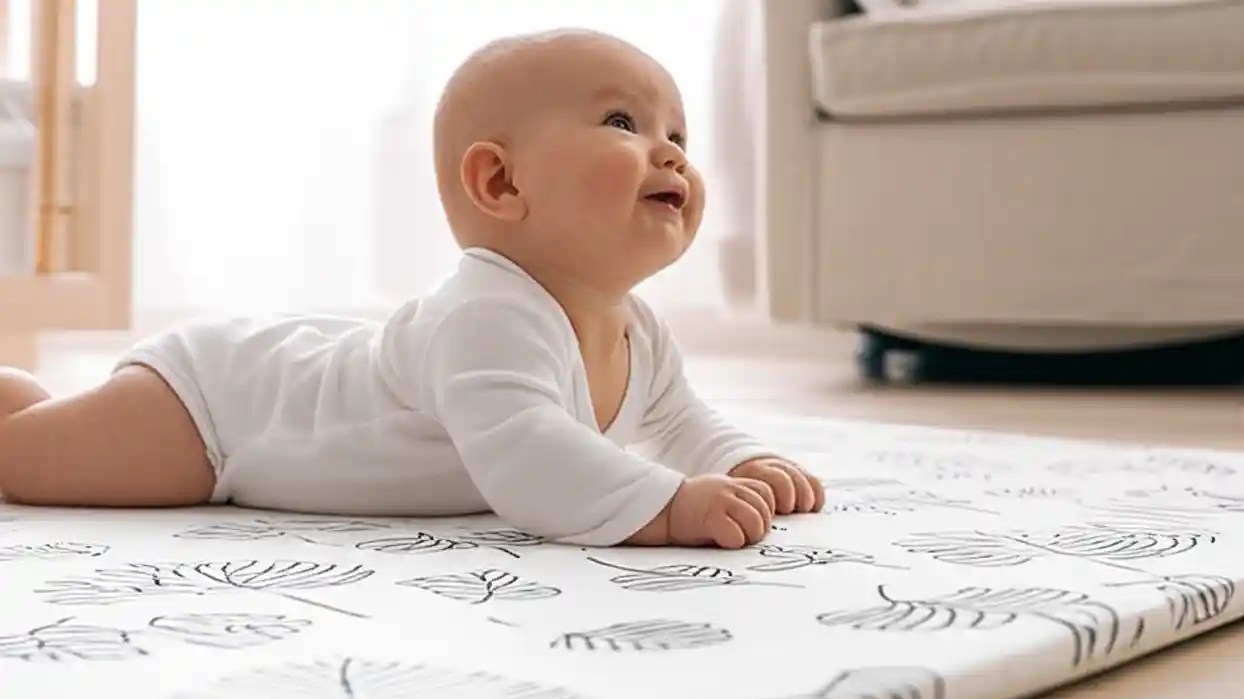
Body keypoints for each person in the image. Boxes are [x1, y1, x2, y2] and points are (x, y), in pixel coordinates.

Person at [0, 29, 824, 549]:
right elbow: (528, 457)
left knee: (44, 434)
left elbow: (679, 415)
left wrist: (738, 457)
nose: (671, 151)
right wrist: (671, 508)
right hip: (217, 416)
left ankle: (33, 403)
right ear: (500, 183)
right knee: (25, 464)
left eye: (676, 133)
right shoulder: (488, 313)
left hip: (245, 395)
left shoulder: (635, 327)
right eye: (623, 124)